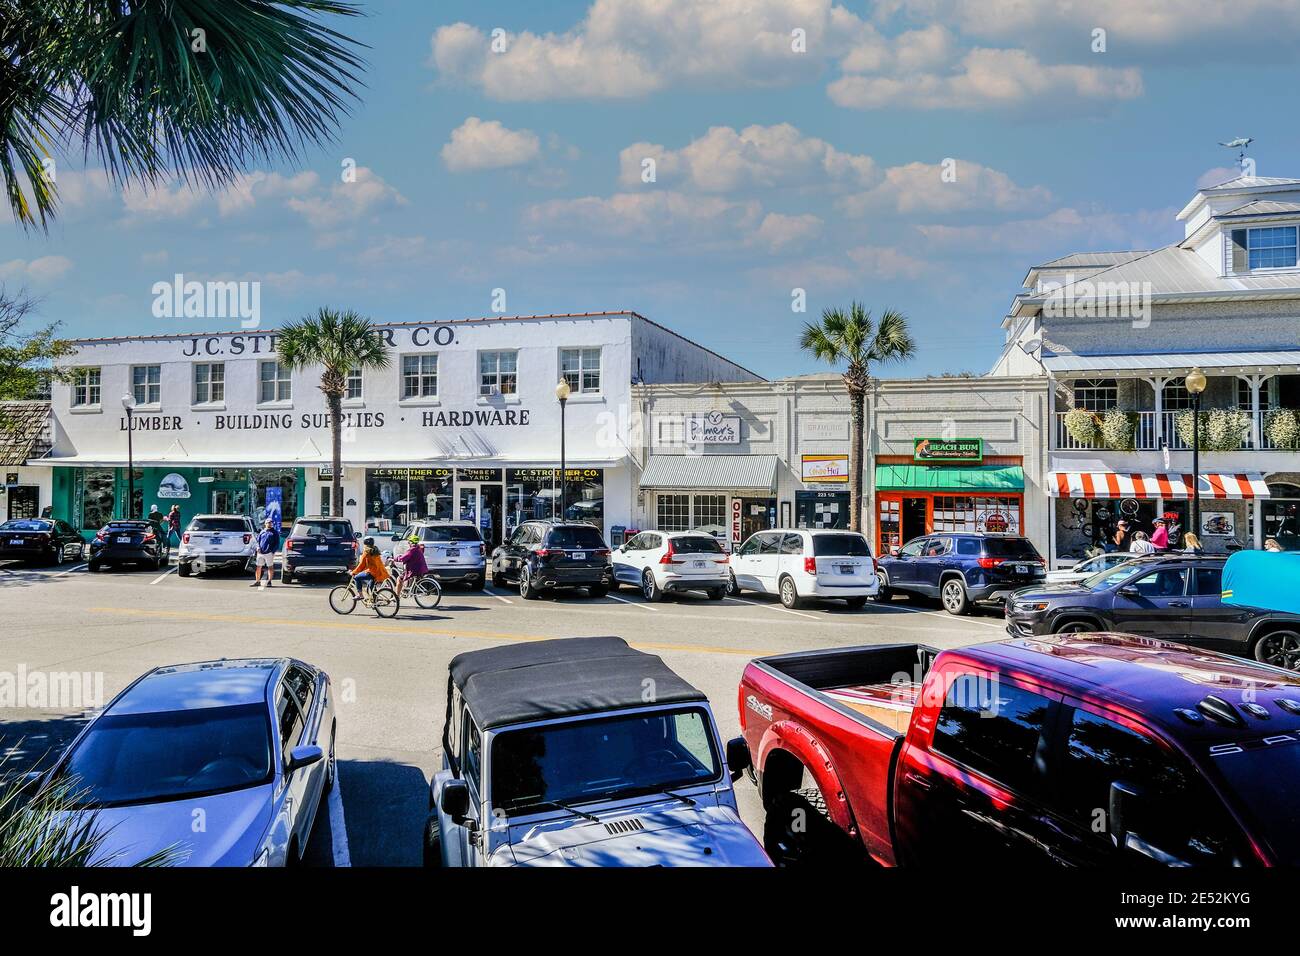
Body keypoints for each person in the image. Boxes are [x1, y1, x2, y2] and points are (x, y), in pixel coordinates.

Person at [251, 518, 280, 588]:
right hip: (260, 553)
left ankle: (269, 581)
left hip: (269, 553)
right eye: (268, 523)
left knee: (270, 567)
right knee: (258, 567)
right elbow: (258, 541)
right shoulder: (262, 532)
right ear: (265, 524)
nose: (270, 524)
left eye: (271, 523)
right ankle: (257, 581)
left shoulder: (275, 533)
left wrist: (272, 552)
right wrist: (257, 548)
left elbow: (277, 543)